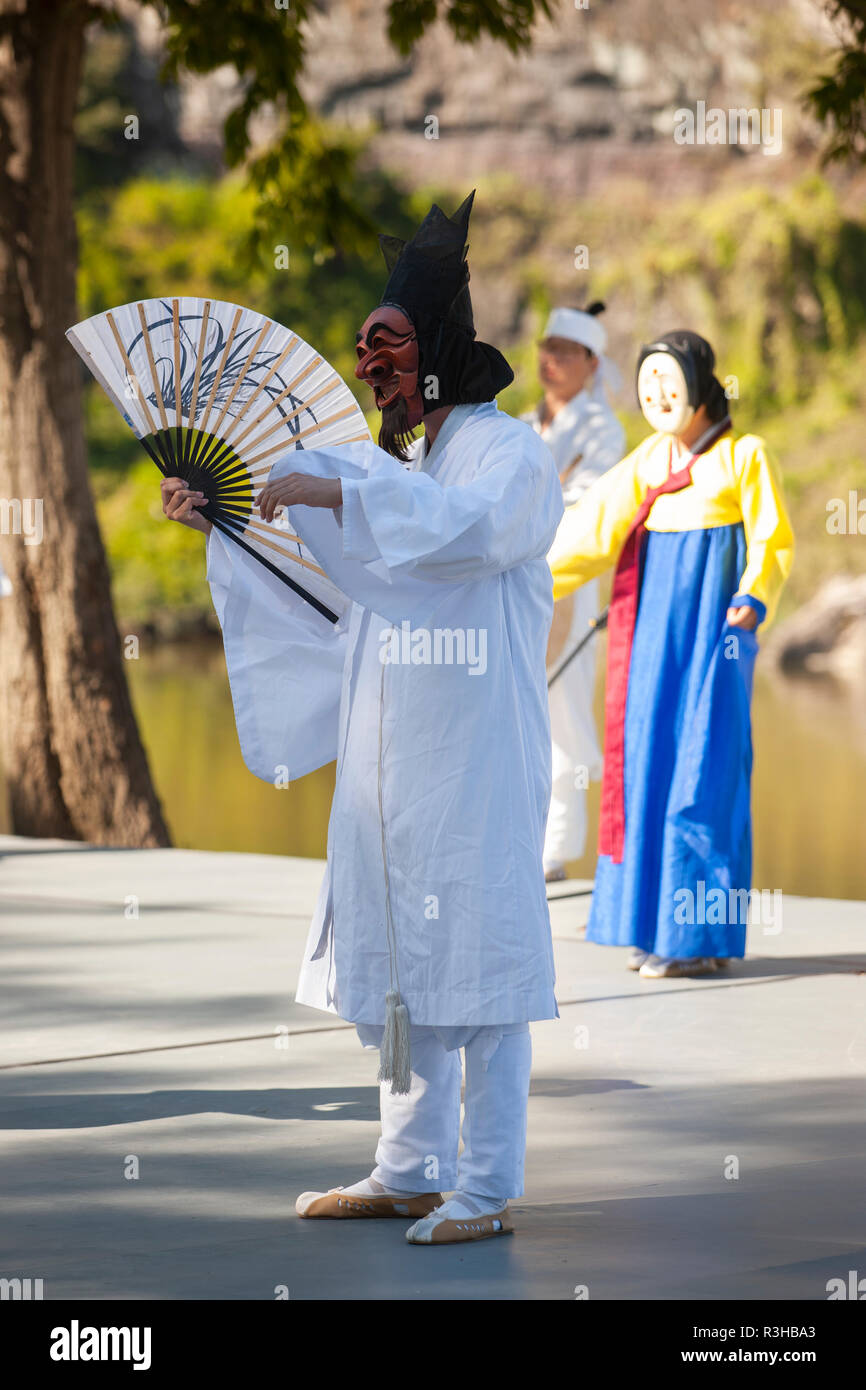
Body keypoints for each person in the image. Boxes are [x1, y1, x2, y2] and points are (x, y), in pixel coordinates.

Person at [160, 193, 563, 1243]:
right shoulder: (394, 468)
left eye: (387, 347)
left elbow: (464, 538)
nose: (370, 366)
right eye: (362, 350)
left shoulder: (505, 457)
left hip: (473, 757)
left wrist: (340, 495)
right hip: (391, 766)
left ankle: (484, 1181)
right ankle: (406, 1163)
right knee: (397, 974)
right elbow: (333, 592)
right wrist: (226, 512)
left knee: (480, 964)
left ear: (433, 352)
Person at [549, 331, 794, 978]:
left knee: (704, 776)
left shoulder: (745, 455)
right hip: (652, 642)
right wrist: (524, 577)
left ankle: (696, 939)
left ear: (698, 382)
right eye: (647, 381)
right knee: (648, 770)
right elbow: (591, 530)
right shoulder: (648, 461)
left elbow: (772, 536)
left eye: (669, 379)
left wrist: (753, 595)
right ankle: (653, 929)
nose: (656, 393)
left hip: (715, 638)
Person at [523, 303, 625, 881]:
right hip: (518, 575)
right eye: (546, 348)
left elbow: (588, 506)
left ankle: (558, 844)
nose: (551, 360)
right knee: (521, 701)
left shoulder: (603, 429)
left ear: (591, 362)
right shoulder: (521, 421)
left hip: (569, 577)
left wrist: (535, 505)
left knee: (563, 707)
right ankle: (523, 831)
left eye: (564, 352)